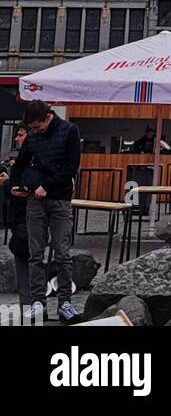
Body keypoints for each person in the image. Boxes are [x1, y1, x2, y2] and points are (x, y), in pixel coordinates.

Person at [17, 99, 80, 324]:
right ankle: (37, 302)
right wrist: (17, 184)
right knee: (35, 253)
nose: (34, 131)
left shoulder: (69, 130)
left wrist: (48, 186)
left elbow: (72, 165)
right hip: (35, 199)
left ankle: (65, 302)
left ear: (47, 118)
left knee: (62, 253)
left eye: (37, 126)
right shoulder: (33, 136)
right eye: (31, 128)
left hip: (60, 198)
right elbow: (21, 162)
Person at [0, 126, 32, 320]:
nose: (17, 139)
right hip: (18, 218)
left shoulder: (32, 158)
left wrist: (8, 182)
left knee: (26, 256)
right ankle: (27, 304)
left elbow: (22, 190)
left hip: (28, 218)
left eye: (20, 135)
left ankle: (30, 304)